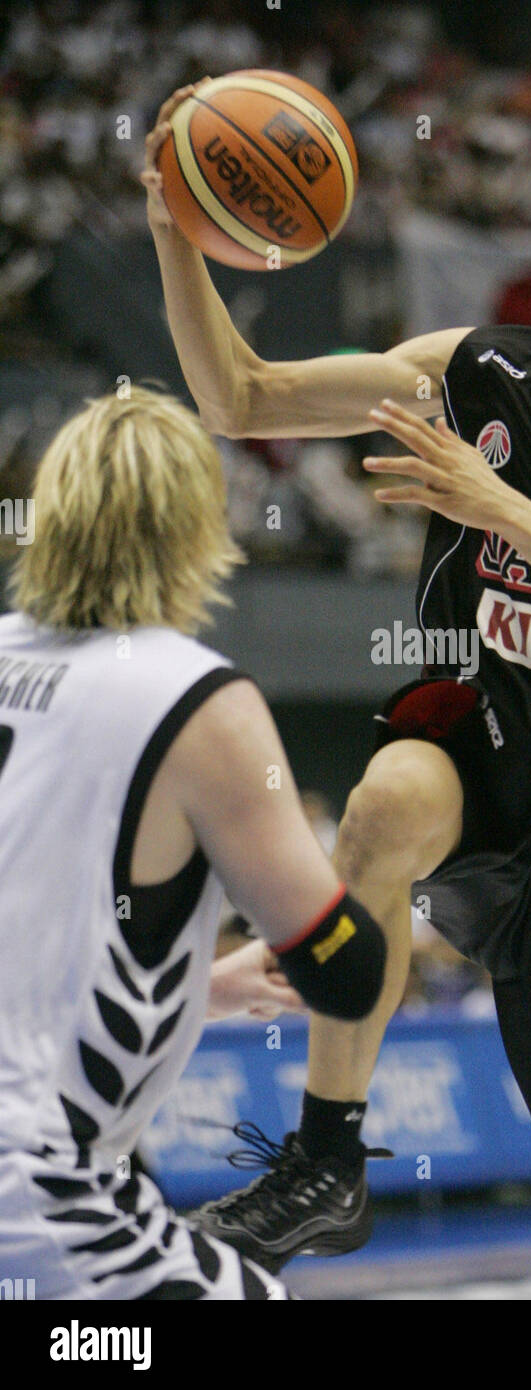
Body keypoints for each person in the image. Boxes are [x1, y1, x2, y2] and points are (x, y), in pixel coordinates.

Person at [143, 90, 531, 1300]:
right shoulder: (482, 370)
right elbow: (242, 400)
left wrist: (495, 505)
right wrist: (180, 223)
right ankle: (327, 1160)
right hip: (496, 739)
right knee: (387, 796)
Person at [0, 385, 386, 1300]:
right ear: (198, 532)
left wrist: (199, 988)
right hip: (35, 1192)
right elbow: (345, 973)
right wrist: (383, 856)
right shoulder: (197, 698)